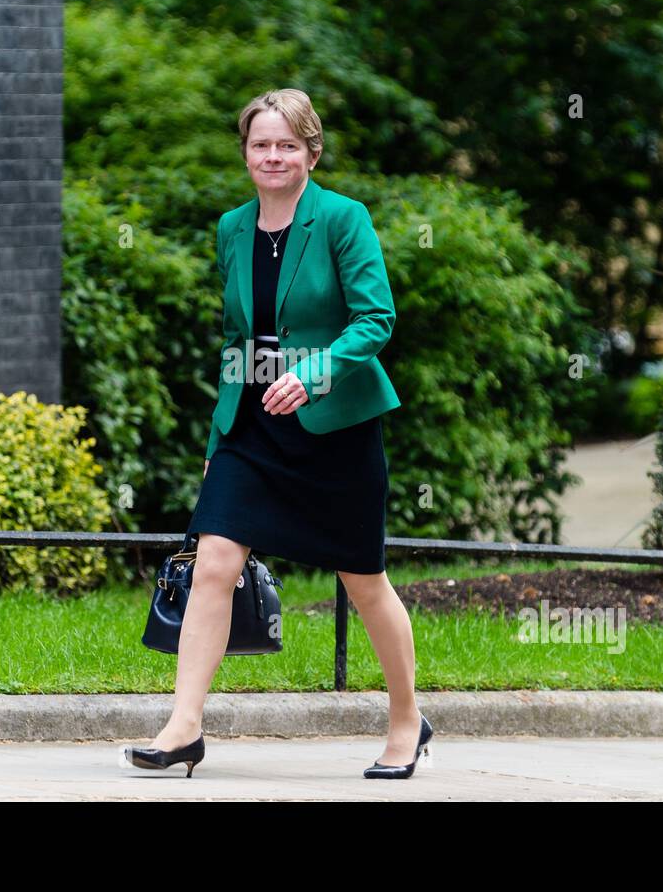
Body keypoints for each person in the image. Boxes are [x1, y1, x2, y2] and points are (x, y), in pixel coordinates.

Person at [123, 88, 433, 779]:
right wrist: (215, 441)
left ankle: (407, 717)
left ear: (311, 152)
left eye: (287, 145)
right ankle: (184, 724)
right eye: (261, 144)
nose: (273, 156)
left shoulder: (343, 220)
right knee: (213, 560)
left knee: (364, 580)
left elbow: (376, 319)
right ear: (245, 154)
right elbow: (238, 337)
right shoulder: (232, 228)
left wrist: (317, 370)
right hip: (251, 428)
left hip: (334, 428)